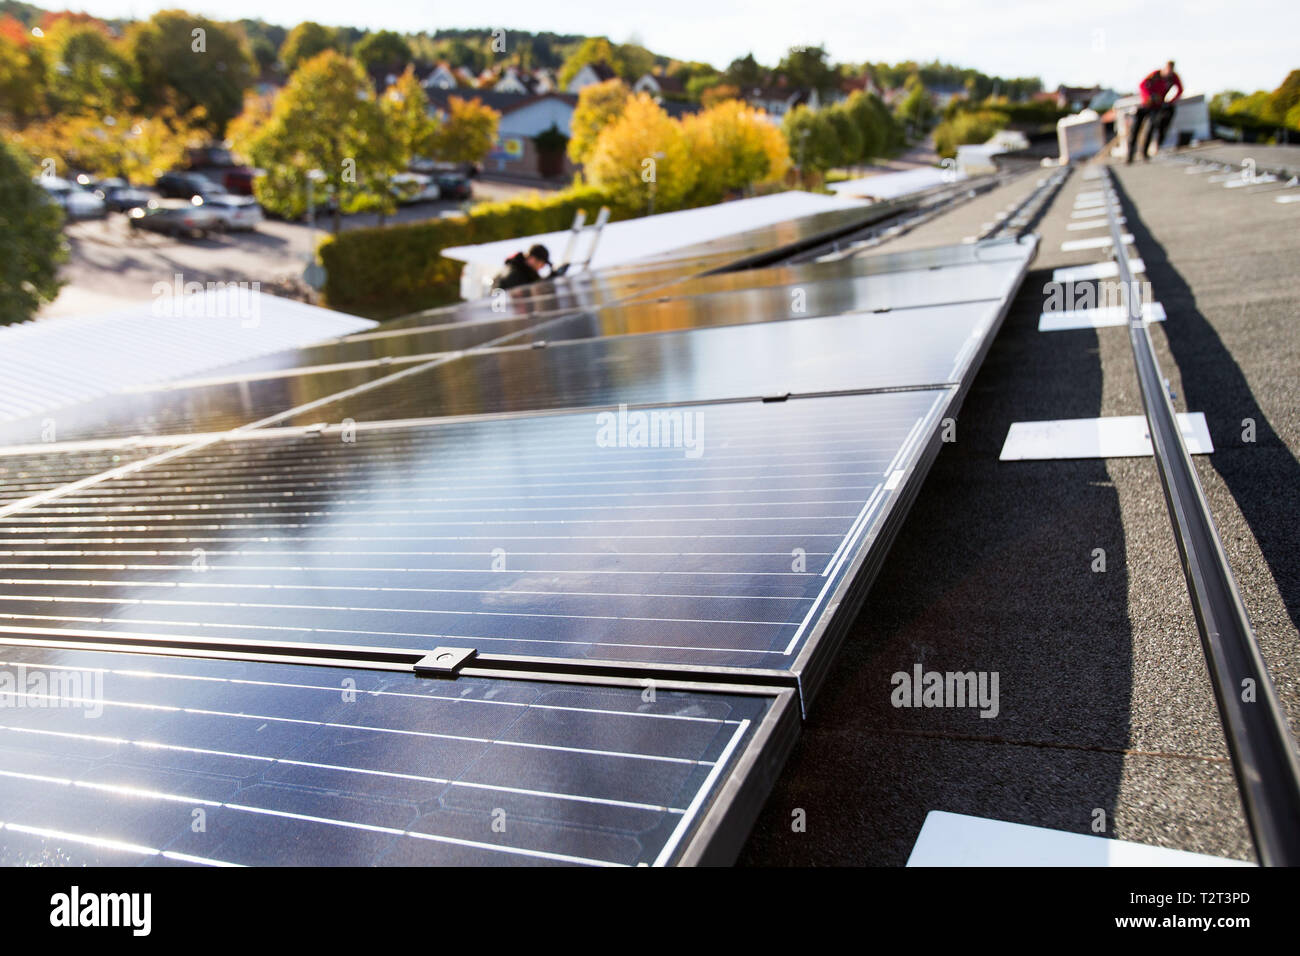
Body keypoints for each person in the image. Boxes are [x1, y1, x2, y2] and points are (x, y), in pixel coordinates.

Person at [1127, 61, 1183, 164]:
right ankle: (1130, 155)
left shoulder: (1173, 77)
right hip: (1145, 105)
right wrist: (1149, 96)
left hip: (1157, 106)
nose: (1169, 73)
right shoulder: (1155, 75)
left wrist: (1170, 101)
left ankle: (1144, 153)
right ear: (1164, 68)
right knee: (1136, 129)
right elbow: (1142, 85)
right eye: (1167, 70)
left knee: (1151, 128)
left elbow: (1180, 89)